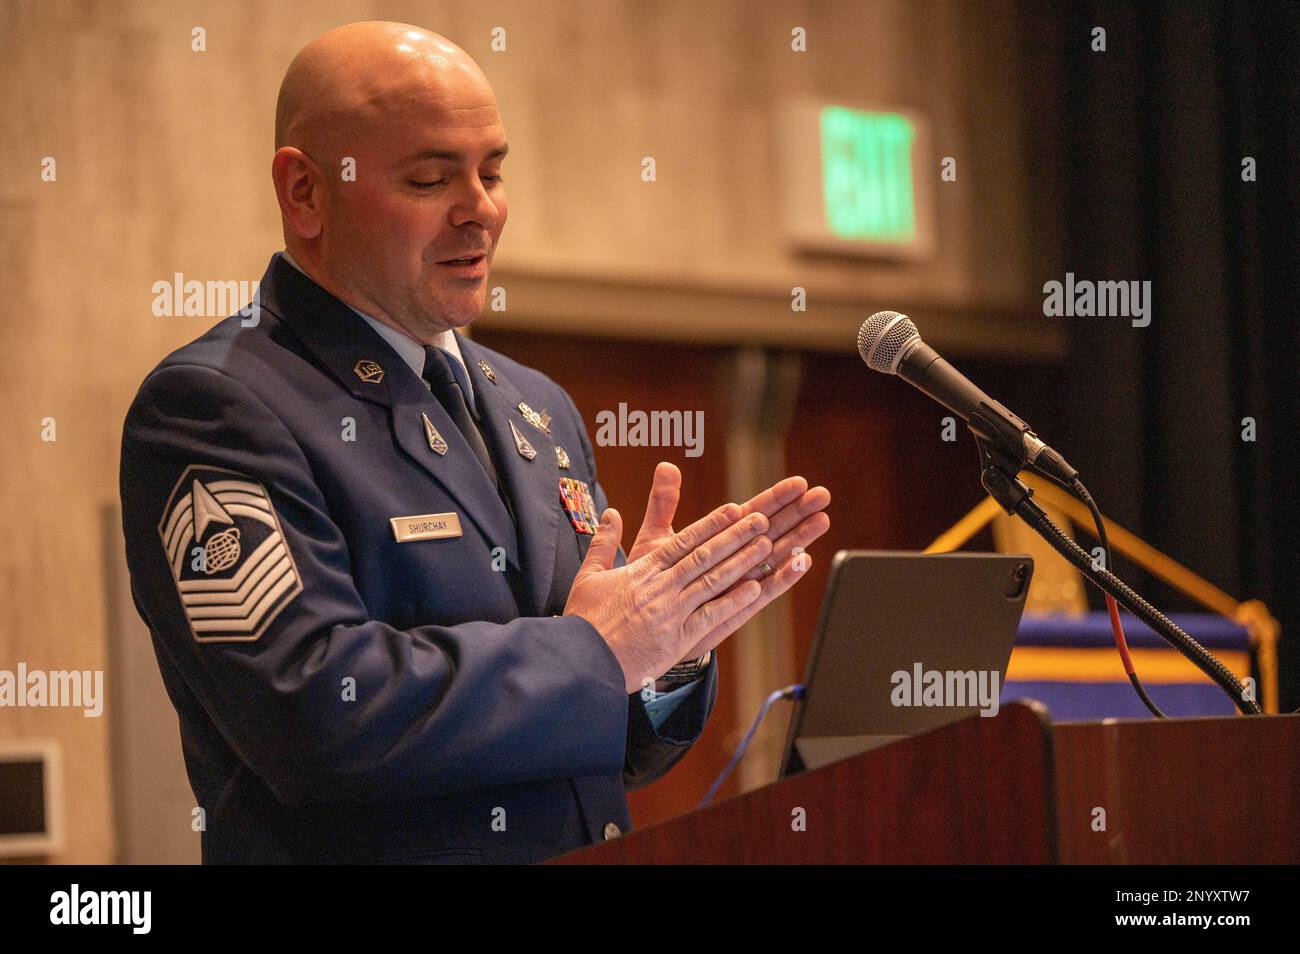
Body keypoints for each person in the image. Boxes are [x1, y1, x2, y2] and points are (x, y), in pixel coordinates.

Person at [119, 21, 831, 864]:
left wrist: (667, 651)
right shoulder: (217, 406)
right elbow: (311, 712)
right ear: (305, 192)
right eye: (430, 178)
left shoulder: (537, 406)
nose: (481, 208)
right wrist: (599, 649)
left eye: (492, 171)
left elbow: (605, 748)